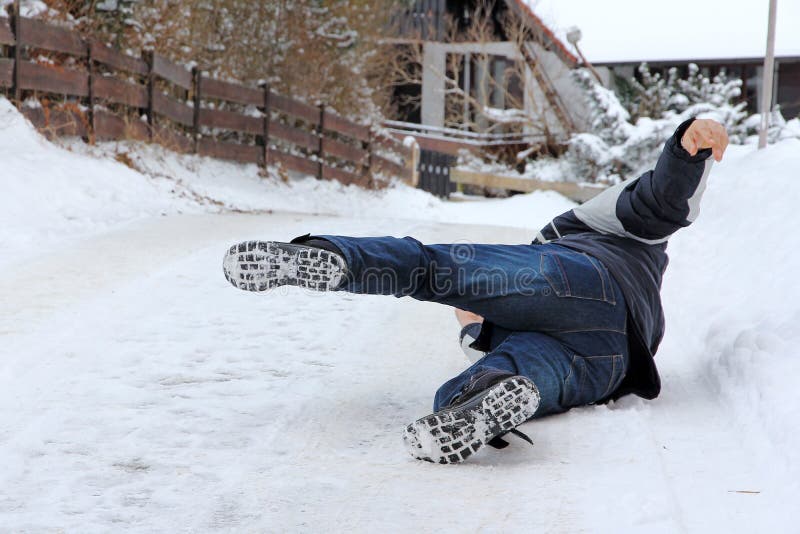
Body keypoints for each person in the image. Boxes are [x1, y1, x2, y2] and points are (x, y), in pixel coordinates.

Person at [222, 117, 729, 464]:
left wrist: (688, 147)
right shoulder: (608, 265)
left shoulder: (589, 225)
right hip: (611, 360)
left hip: (581, 281)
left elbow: (657, 202)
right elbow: (476, 328)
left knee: (429, 270)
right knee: (512, 370)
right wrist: (472, 325)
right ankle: (471, 407)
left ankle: (335, 258)